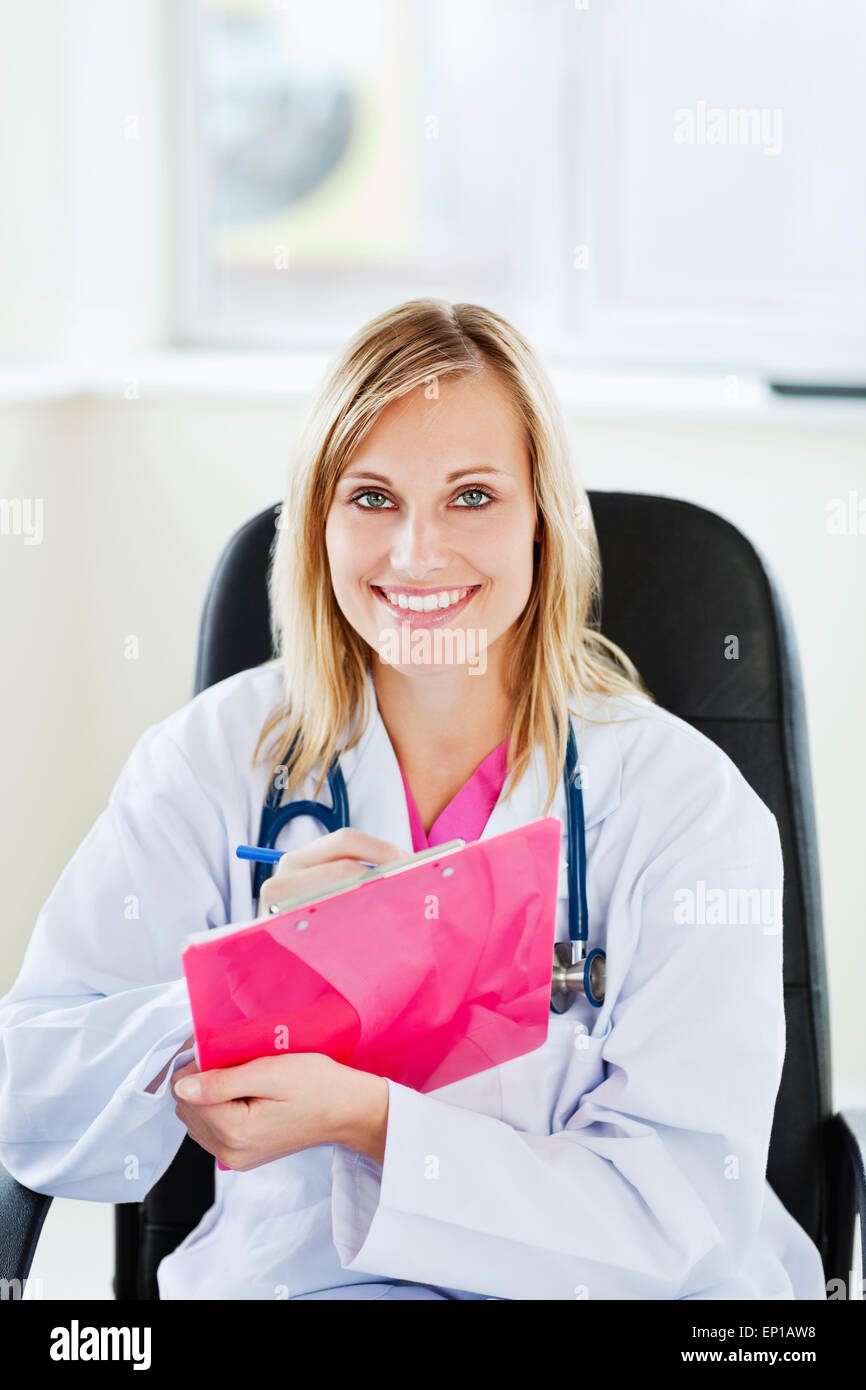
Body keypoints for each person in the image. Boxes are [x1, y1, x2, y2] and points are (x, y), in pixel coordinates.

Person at [0, 299, 827, 1300]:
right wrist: (240, 992)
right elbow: (27, 1093)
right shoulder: (212, 759)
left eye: (472, 496)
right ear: (319, 521)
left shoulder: (681, 804)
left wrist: (369, 1120)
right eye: (373, 498)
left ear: (541, 520)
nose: (418, 553)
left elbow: (680, 1209)